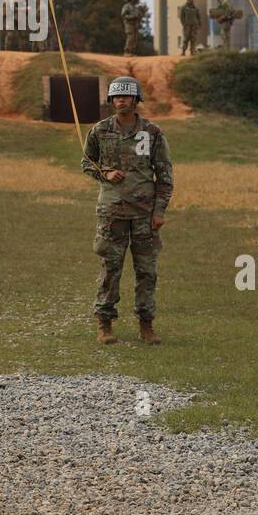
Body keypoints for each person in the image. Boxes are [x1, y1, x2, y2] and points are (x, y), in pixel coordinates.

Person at [81, 75, 174, 345]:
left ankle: (146, 324)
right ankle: (104, 323)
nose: (121, 100)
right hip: (112, 212)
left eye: (126, 96)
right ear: (111, 100)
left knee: (147, 270)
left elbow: (165, 173)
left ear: (136, 100)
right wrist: (105, 173)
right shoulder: (100, 131)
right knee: (111, 268)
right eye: (116, 97)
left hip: (145, 213)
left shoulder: (152, 132)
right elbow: (86, 163)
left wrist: (160, 211)